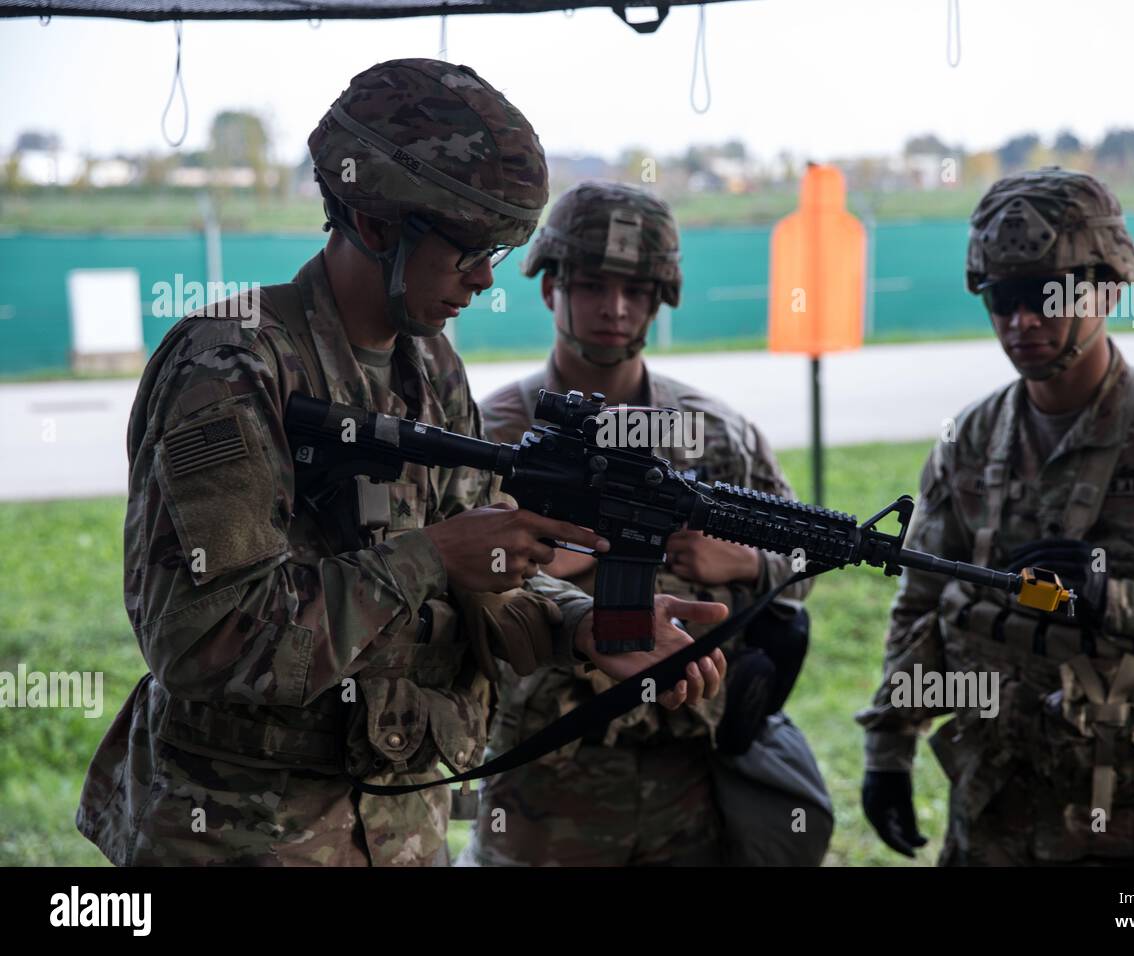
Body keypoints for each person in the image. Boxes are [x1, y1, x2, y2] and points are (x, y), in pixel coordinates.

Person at [76, 60, 726, 867]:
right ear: (375, 221)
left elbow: (480, 566)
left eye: (502, 248)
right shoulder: (231, 365)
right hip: (238, 835)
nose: (486, 277)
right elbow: (203, 642)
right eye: (467, 248)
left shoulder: (430, 366)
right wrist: (425, 558)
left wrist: (580, 624)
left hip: (397, 828)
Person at [856, 166, 1134, 865]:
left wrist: (1114, 603)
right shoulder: (969, 441)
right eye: (1002, 298)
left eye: (1045, 295)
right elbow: (921, 599)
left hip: (1130, 816)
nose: (1020, 320)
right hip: (990, 809)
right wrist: (889, 744)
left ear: (1112, 288)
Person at [460, 181, 824, 866]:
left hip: (686, 779)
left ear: (661, 301)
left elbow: (807, 566)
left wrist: (745, 564)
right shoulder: (489, 431)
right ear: (550, 289)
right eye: (593, 286)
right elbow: (438, 588)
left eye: (638, 291)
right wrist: (534, 563)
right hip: (540, 782)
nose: (615, 310)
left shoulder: (717, 435)